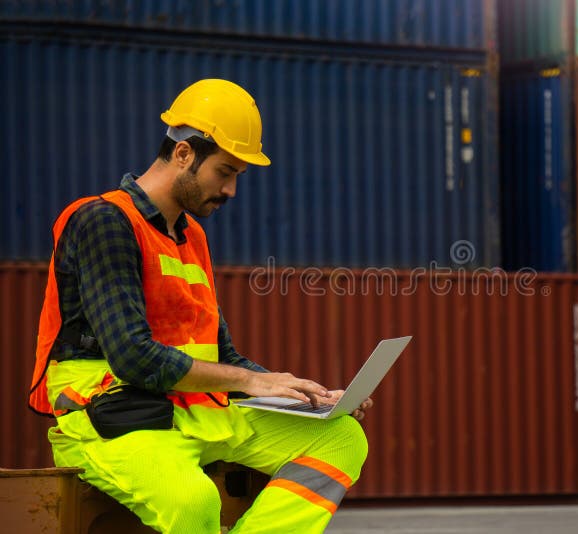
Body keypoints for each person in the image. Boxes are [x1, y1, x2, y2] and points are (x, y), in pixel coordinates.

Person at [28, 78, 371, 533]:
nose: (230, 191)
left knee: (341, 438)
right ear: (185, 154)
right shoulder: (103, 222)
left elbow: (220, 354)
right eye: (225, 172)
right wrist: (249, 380)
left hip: (194, 410)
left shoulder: (192, 237)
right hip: (114, 418)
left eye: (236, 177)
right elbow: (133, 357)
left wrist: (292, 392)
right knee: (194, 502)